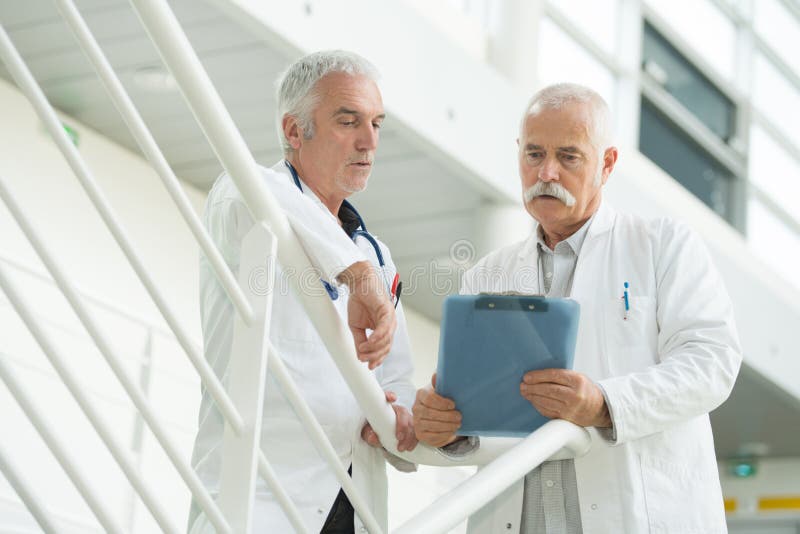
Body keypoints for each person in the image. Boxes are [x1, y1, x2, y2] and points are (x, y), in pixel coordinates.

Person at [413, 83, 742, 533]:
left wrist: (605, 404)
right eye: (533, 154)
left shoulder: (662, 245)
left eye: (568, 156)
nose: (546, 172)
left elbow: (712, 362)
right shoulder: (486, 277)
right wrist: (452, 431)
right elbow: (488, 420)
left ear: (606, 164)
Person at [188, 50, 417, 534]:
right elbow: (270, 198)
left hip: (353, 507)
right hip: (257, 501)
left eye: (377, 123)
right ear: (294, 131)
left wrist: (401, 416)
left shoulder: (377, 255)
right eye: (348, 120)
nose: (368, 141)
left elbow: (396, 382)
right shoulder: (242, 197)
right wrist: (358, 276)